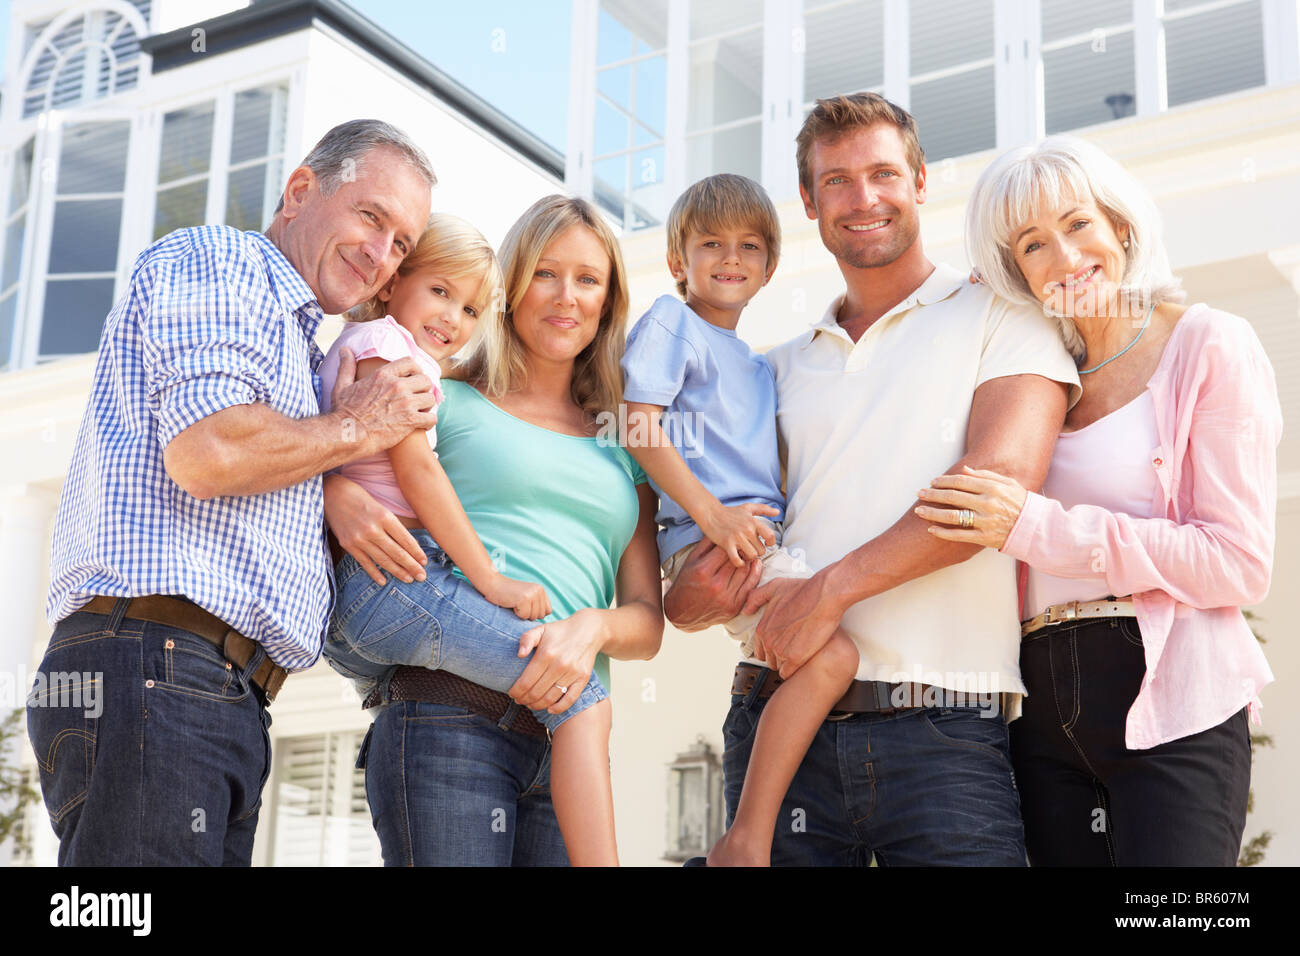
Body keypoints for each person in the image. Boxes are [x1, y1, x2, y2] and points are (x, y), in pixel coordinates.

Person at [663, 92, 1081, 866]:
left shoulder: (1001, 315)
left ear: (920, 179)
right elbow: (704, 559)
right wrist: (693, 594)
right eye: (836, 181)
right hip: (776, 722)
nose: (864, 199)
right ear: (809, 201)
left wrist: (832, 589)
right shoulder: (770, 369)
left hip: (946, 734)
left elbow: (996, 485)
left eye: (883, 173)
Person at [30, 119, 438, 865]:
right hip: (158, 665)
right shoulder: (224, 262)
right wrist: (356, 430)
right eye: (370, 216)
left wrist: (329, 489)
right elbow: (209, 451)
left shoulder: (301, 346)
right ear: (301, 191)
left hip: (216, 694)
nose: (381, 254)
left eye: (403, 242)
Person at [916, 134, 1279, 866]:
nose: (1065, 256)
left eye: (1077, 224)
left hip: (1170, 695)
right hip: (1035, 703)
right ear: (1015, 270)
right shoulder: (1032, 376)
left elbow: (1239, 562)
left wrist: (1038, 527)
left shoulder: (1207, 343)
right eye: (1032, 244)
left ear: (1120, 225)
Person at [322, 194, 664, 866]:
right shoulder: (442, 395)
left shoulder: (625, 443)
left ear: (608, 300)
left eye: (588, 279)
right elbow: (346, 456)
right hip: (451, 721)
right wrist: (333, 493)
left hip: (567, 747)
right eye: (545, 273)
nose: (567, 297)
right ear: (509, 287)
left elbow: (647, 623)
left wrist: (592, 627)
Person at [618, 173, 859, 866]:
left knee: (806, 658)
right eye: (711, 244)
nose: (731, 258)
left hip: (755, 543)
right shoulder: (672, 321)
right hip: (711, 541)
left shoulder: (757, 366)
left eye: (749, 246)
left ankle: (760, 828)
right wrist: (714, 518)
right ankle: (748, 838)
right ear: (677, 261)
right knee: (835, 654)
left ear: (769, 267)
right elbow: (639, 427)